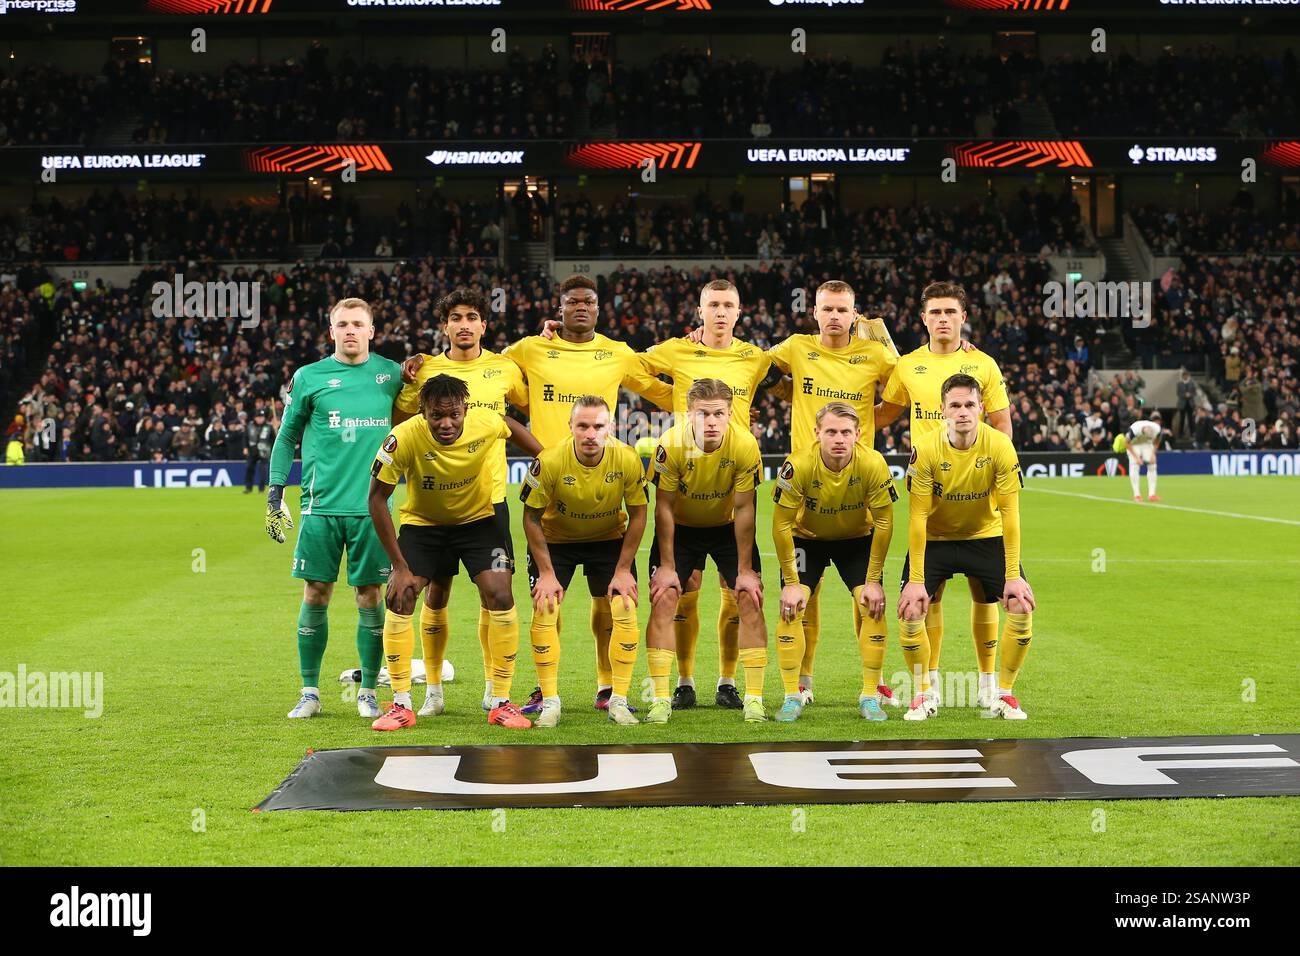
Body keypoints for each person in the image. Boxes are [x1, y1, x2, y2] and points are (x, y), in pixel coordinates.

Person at [497, 273, 672, 712]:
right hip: (551, 491)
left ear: (598, 308)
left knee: (607, 601)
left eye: (588, 302)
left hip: (601, 503)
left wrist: (725, 406)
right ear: (558, 309)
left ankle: (607, 685)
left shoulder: (617, 352)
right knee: (546, 600)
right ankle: (544, 690)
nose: (580, 307)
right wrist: (541, 451)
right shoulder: (529, 348)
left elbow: (659, 387)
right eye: (571, 301)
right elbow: (490, 373)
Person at [366, 374, 542, 731]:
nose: (446, 424)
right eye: (436, 416)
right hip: (424, 526)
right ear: (423, 412)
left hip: (478, 524)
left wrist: (547, 458)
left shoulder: (485, 422)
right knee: (400, 594)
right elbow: (376, 499)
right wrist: (399, 566)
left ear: (465, 410)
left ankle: (502, 701)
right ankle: (400, 704)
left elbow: (508, 423)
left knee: (500, 594)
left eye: (454, 415)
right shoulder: (403, 437)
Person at [876, 280, 1014, 708]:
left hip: (974, 491)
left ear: (963, 317)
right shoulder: (907, 366)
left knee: (983, 592)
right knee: (926, 594)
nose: (942, 319)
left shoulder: (984, 365)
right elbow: (885, 415)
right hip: (927, 490)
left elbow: (1002, 424)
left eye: (950, 312)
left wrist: (994, 472)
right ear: (923, 318)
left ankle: (988, 684)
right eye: (934, 312)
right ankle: (929, 684)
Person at [266, 297, 404, 721]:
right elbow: (287, 437)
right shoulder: (309, 377)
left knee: (369, 596)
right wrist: (275, 493)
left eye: (357, 324)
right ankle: (310, 691)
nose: (349, 330)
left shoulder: (391, 375)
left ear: (371, 331)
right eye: (342, 324)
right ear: (331, 332)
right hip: (319, 507)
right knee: (315, 593)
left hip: (371, 510)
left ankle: (367, 691)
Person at [639, 279, 774, 711]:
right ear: (700, 311)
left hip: (730, 487)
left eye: (727, 305)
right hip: (686, 498)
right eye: (712, 304)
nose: (719, 311)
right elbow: (630, 366)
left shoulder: (756, 357)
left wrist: (865, 328)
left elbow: (794, 375)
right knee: (684, 586)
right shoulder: (677, 350)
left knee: (738, 591)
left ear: (739, 312)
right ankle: (682, 682)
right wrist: (673, 398)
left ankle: (730, 682)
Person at [394, 289, 529, 716]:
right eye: (456, 317)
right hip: (433, 503)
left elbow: (519, 410)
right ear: (445, 325)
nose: (465, 324)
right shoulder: (426, 369)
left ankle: (495, 686)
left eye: (473, 317)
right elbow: (402, 421)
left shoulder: (506, 368)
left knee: (495, 592)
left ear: (485, 325)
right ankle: (432, 689)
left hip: (490, 501)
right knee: (437, 594)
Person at [900, 373, 1036, 720]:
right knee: (912, 608)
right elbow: (917, 517)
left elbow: (1010, 513)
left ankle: (1001, 692)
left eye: (970, 405)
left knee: (1020, 603)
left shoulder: (1000, 445)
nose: (963, 412)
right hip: (936, 538)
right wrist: (916, 580)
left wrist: (1012, 575)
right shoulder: (927, 449)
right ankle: (923, 692)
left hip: (985, 536)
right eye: (955, 405)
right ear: (943, 410)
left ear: (981, 408)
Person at [645, 378, 768, 724]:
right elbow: (663, 508)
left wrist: (745, 570)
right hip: (682, 529)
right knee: (665, 596)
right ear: (689, 415)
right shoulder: (671, 444)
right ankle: (662, 697)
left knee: (749, 596)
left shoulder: (745, 445)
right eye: (703, 414)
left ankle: (753, 698)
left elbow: (746, 510)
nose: (711, 421)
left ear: (730, 415)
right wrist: (667, 566)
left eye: (718, 414)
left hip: (726, 527)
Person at [520, 395, 648, 727]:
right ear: (571, 427)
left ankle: (616, 698)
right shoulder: (549, 461)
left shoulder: (628, 459)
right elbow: (530, 518)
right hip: (556, 541)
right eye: (583, 426)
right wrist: (546, 573)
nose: (590, 434)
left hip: (607, 540)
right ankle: (550, 701)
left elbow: (638, 514)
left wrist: (623, 569)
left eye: (598, 426)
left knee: (624, 606)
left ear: (612, 428)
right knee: (545, 605)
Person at [771, 402, 896, 723]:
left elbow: (884, 523)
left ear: (857, 435)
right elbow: (781, 525)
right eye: (830, 432)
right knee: (791, 607)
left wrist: (873, 580)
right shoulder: (797, 465)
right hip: (806, 539)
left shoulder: (873, 464)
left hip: (855, 540)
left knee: (872, 604)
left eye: (845, 432)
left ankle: (870, 695)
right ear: (817, 433)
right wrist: (790, 583)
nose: (838, 439)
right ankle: (791, 695)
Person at [1121, 412, 1164, 501]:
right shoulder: (1134, 429)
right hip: (1134, 444)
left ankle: (1152, 494)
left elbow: (1157, 442)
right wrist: (1136, 457)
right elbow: (1126, 443)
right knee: (1134, 466)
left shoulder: (1157, 429)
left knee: (1153, 465)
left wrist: (1153, 454)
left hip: (1147, 444)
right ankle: (1137, 495)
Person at [245, 409, 275, 494]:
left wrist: (273, 450)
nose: (260, 419)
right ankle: (248, 488)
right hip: (252, 451)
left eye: (262, 417)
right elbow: (245, 437)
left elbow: (273, 439)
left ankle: (261, 489)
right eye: (258, 417)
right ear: (255, 418)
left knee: (263, 471)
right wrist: (245, 447)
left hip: (264, 452)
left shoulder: (269, 426)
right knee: (249, 469)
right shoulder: (250, 425)